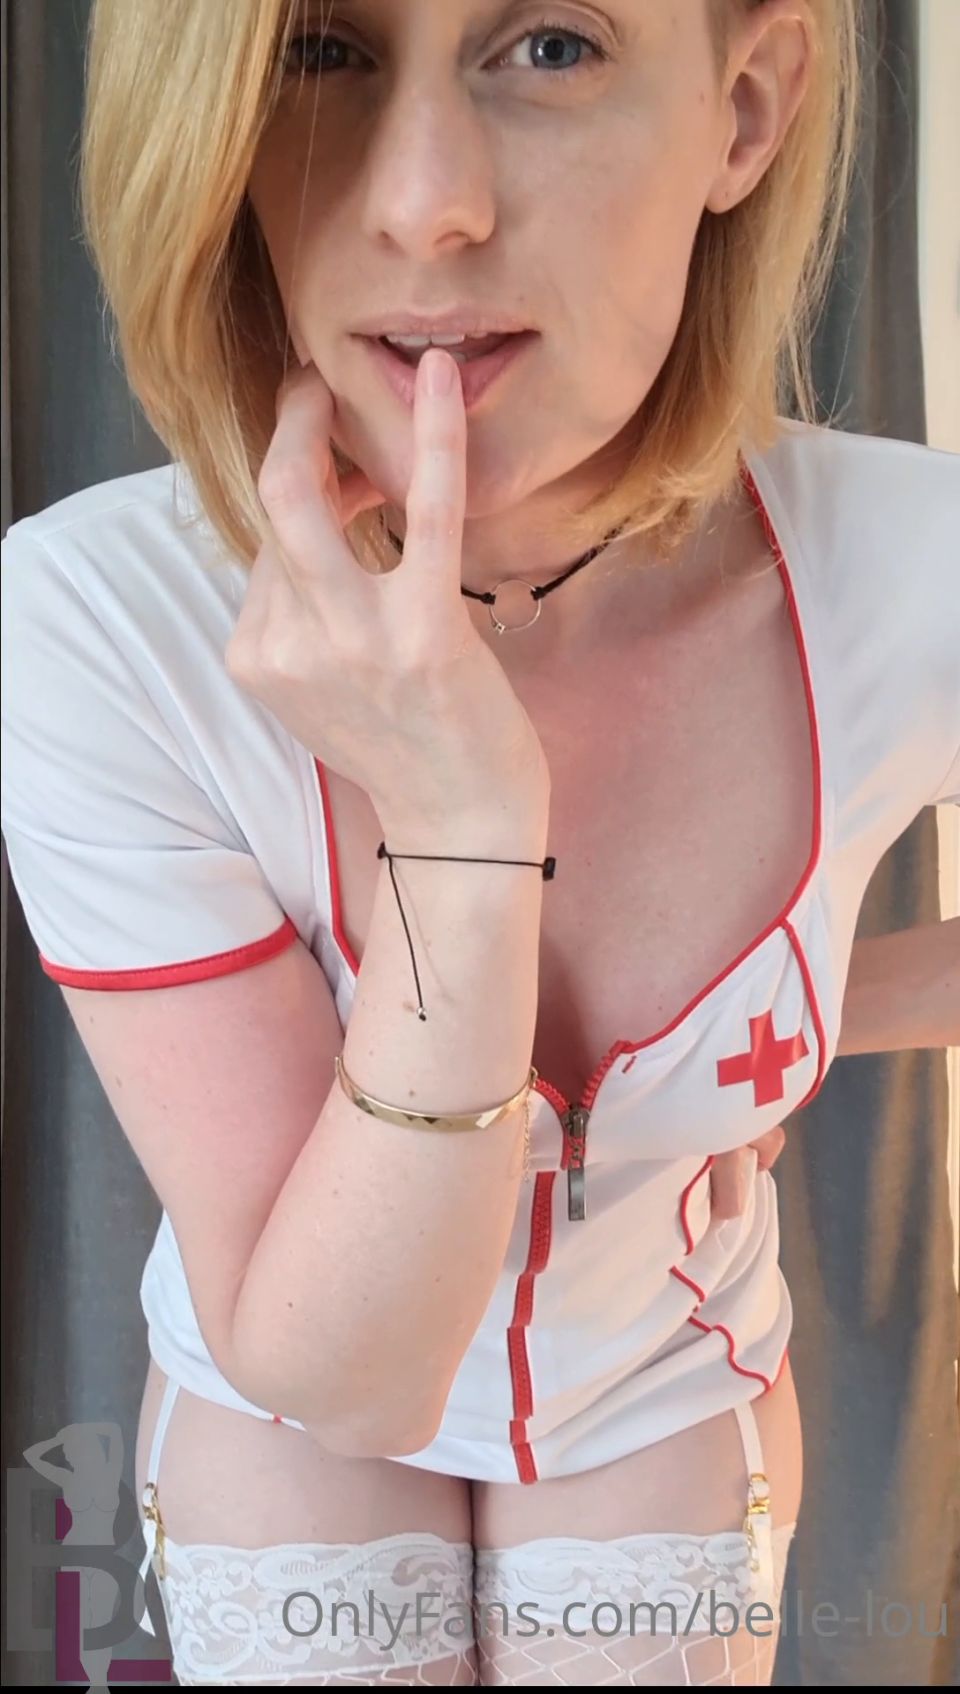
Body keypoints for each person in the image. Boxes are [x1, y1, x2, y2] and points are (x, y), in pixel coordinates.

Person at [1, 0, 957, 1684]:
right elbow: (346, 1370)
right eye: (321, 53)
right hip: (289, 1403)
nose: (424, 202)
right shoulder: (97, 618)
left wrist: (807, 1013)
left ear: (744, 107)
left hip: (660, 1370)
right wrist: (458, 825)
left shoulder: (908, 567)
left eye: (552, 46)